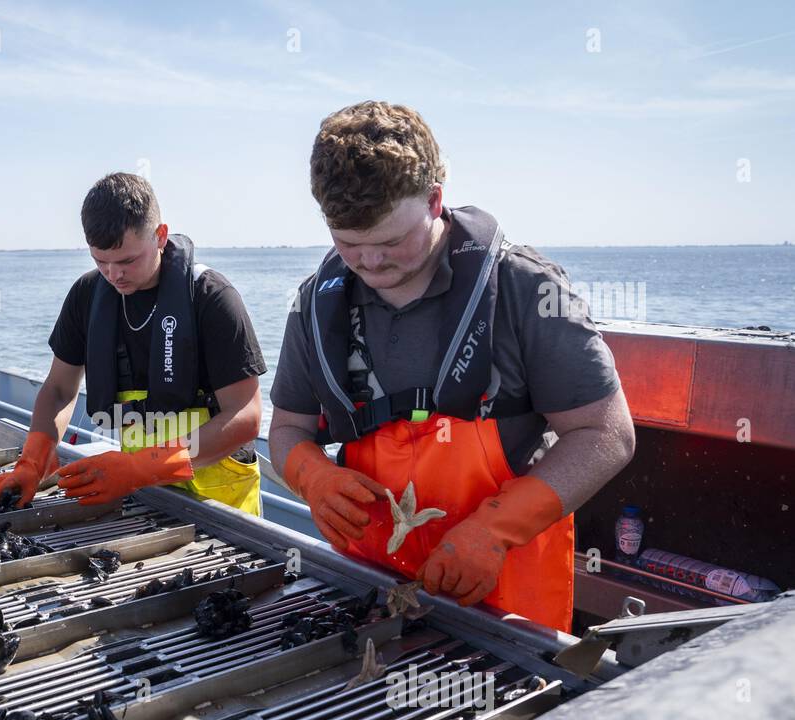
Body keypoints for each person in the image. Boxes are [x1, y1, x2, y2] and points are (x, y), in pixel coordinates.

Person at [268, 102, 636, 631]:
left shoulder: (527, 290)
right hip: (368, 584)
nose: (371, 263)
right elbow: (286, 429)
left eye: (392, 241)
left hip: (505, 587)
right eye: (348, 243)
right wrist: (311, 475)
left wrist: (494, 531)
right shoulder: (315, 303)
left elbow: (607, 434)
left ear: (435, 201)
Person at [0, 173, 266, 515]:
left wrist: (143, 466)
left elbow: (246, 415)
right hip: (144, 495)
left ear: (160, 236)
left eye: (127, 261)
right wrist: (33, 460)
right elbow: (59, 390)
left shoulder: (211, 297)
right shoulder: (87, 296)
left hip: (223, 499)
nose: (114, 275)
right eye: (101, 261)